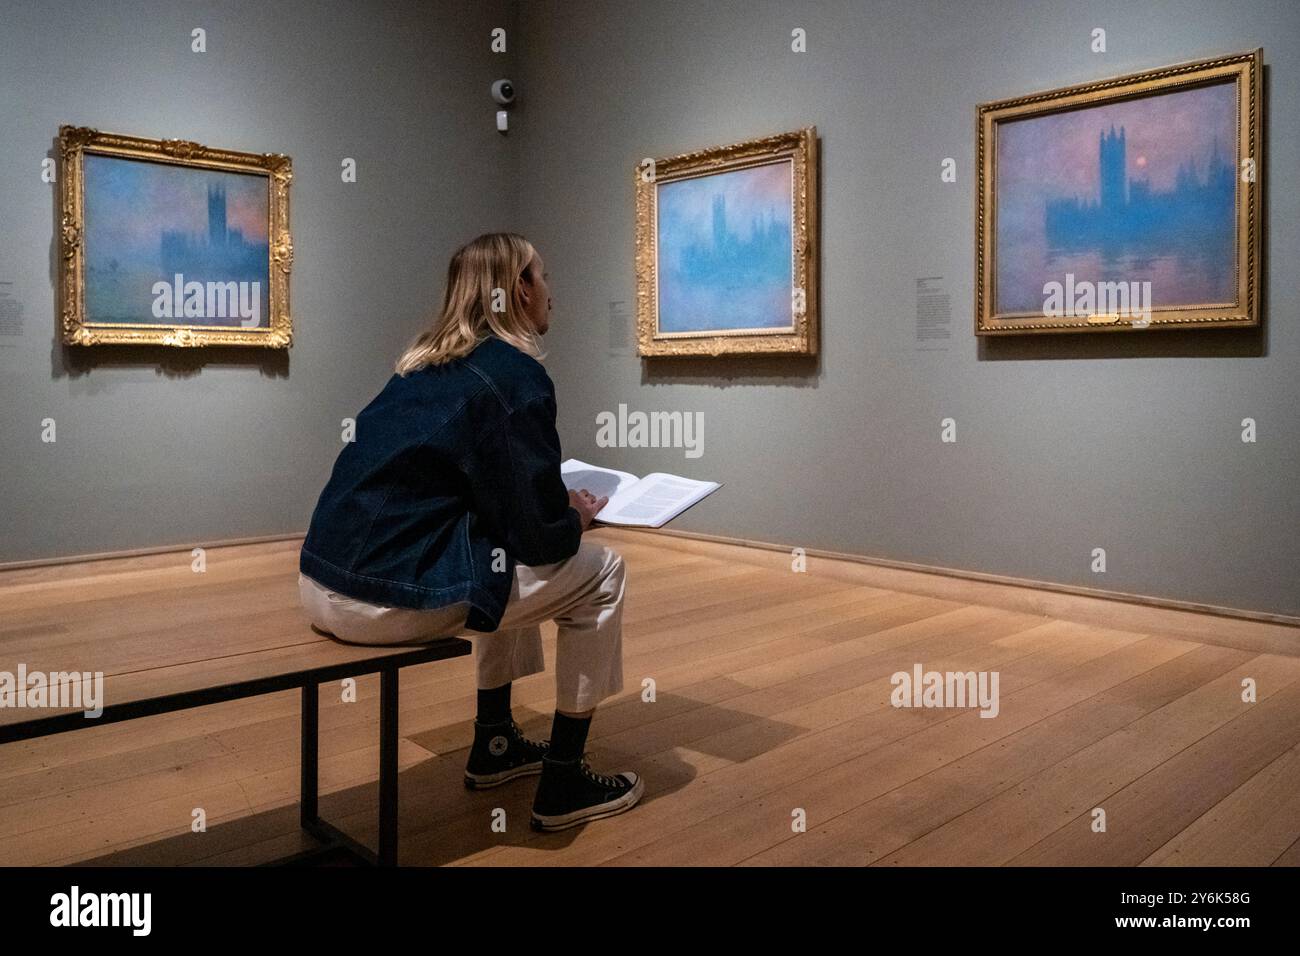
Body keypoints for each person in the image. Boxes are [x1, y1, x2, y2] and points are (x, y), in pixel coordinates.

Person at [297, 232, 643, 832]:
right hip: (383, 600)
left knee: (496, 553)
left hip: (323, 582)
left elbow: (479, 489)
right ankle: (563, 780)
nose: (551, 292)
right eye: (543, 276)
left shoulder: (421, 366)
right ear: (518, 290)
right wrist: (577, 516)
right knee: (600, 572)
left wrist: (539, 504)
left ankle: (496, 744)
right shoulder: (515, 375)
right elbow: (541, 540)